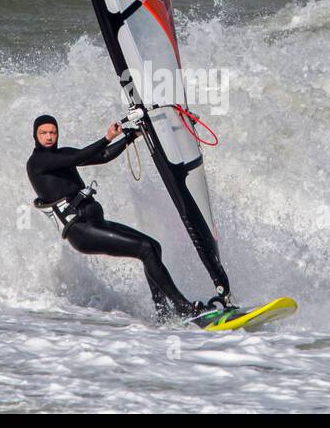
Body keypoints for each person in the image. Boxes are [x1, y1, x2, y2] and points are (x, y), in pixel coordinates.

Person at [26, 114, 213, 321]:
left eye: (52, 132)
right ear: (35, 135)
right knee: (146, 249)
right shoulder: (38, 162)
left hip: (96, 223)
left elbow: (103, 155)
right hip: (81, 232)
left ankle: (164, 313)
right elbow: (78, 158)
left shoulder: (61, 155)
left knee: (153, 247)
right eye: (43, 133)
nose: (49, 136)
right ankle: (183, 308)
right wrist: (107, 137)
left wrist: (130, 137)